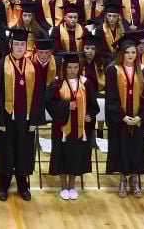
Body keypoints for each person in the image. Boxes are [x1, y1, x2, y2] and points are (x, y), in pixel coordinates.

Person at [0, 28, 42, 201]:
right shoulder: (0, 65)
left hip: (25, 119)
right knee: (5, 151)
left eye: (22, 44)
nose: (19, 47)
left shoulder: (33, 67)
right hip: (7, 118)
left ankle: (22, 185)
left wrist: (34, 118)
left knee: (24, 151)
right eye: (16, 44)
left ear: (26, 46)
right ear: (11, 45)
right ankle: (3, 186)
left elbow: (38, 96)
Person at [46, 51, 98, 200]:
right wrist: (66, 106)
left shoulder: (86, 83)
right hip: (61, 128)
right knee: (62, 154)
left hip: (81, 129)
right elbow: (49, 103)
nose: (73, 70)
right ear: (64, 68)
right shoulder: (57, 83)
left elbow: (93, 105)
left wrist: (90, 115)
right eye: (69, 67)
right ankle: (63, 186)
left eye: (75, 67)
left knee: (76, 154)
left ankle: (72, 186)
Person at [105, 35, 144, 198]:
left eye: (133, 52)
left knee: (137, 151)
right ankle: (123, 180)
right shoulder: (113, 70)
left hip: (138, 120)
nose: (131, 55)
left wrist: (141, 116)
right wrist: (122, 116)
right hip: (120, 121)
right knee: (122, 150)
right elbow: (111, 97)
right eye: (128, 52)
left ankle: (135, 180)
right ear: (122, 54)